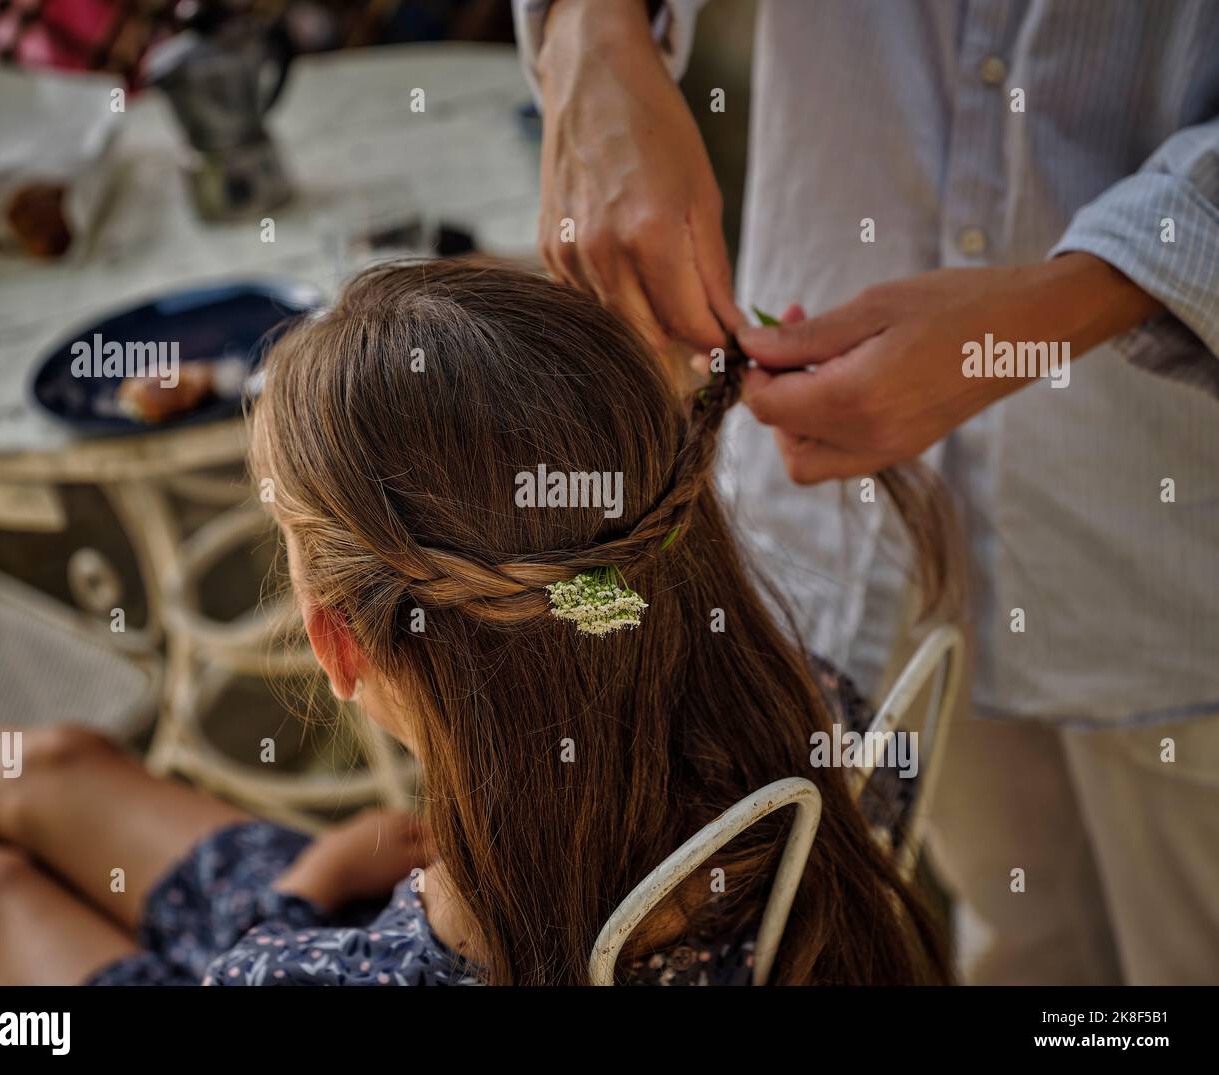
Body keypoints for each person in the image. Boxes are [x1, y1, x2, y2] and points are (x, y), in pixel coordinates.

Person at [0, 260, 948, 986]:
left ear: (335, 644)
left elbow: (290, 961)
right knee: (54, 765)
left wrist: (305, 893)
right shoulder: (830, 725)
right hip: (403, 928)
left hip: (334, 934)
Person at [516, 0, 1219, 983]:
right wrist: (592, 33)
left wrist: (1062, 309)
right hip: (862, 544)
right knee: (1016, 931)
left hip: (1168, 527)